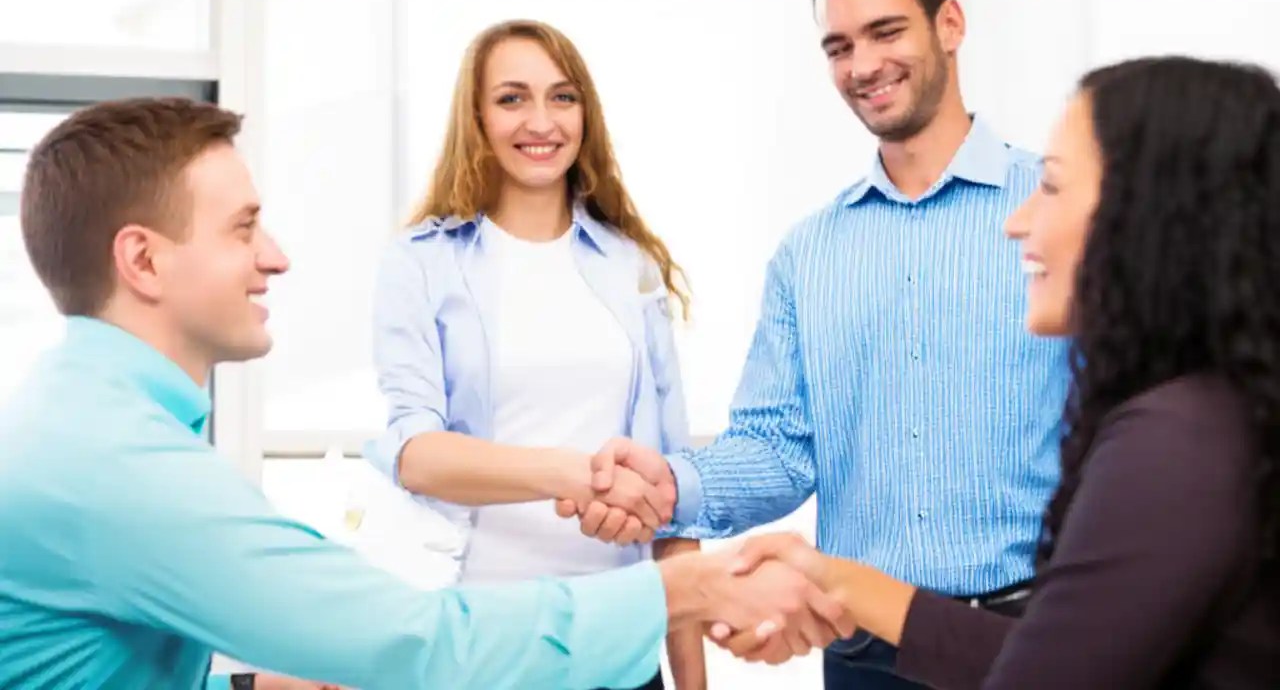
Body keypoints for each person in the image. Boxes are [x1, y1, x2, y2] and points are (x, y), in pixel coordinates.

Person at [0, 96, 855, 689]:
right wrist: (691, 591)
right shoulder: (120, 466)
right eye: (243, 227)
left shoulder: (81, 418)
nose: (277, 257)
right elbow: (422, 644)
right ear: (142, 260)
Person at [561, 0, 1068, 686]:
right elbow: (778, 447)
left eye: (886, 32)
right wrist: (671, 486)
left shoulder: (1059, 212)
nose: (863, 66)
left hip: (1030, 640)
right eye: (839, 46)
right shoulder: (810, 252)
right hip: (863, 651)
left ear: (950, 25)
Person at [715, 55, 1280, 688]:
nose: (1017, 220)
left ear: (1152, 213)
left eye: (1056, 185)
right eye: (837, 45)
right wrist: (840, 580)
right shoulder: (1209, 415)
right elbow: (1060, 663)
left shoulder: (1174, 443)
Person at [363, 19, 704, 690]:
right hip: (476, 643)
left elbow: (675, 492)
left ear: (586, 115)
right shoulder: (421, 264)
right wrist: (567, 473)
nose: (540, 121)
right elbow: (416, 455)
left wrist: (693, 683)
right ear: (478, 117)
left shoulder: (631, 265)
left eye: (562, 96)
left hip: (617, 645)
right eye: (513, 98)